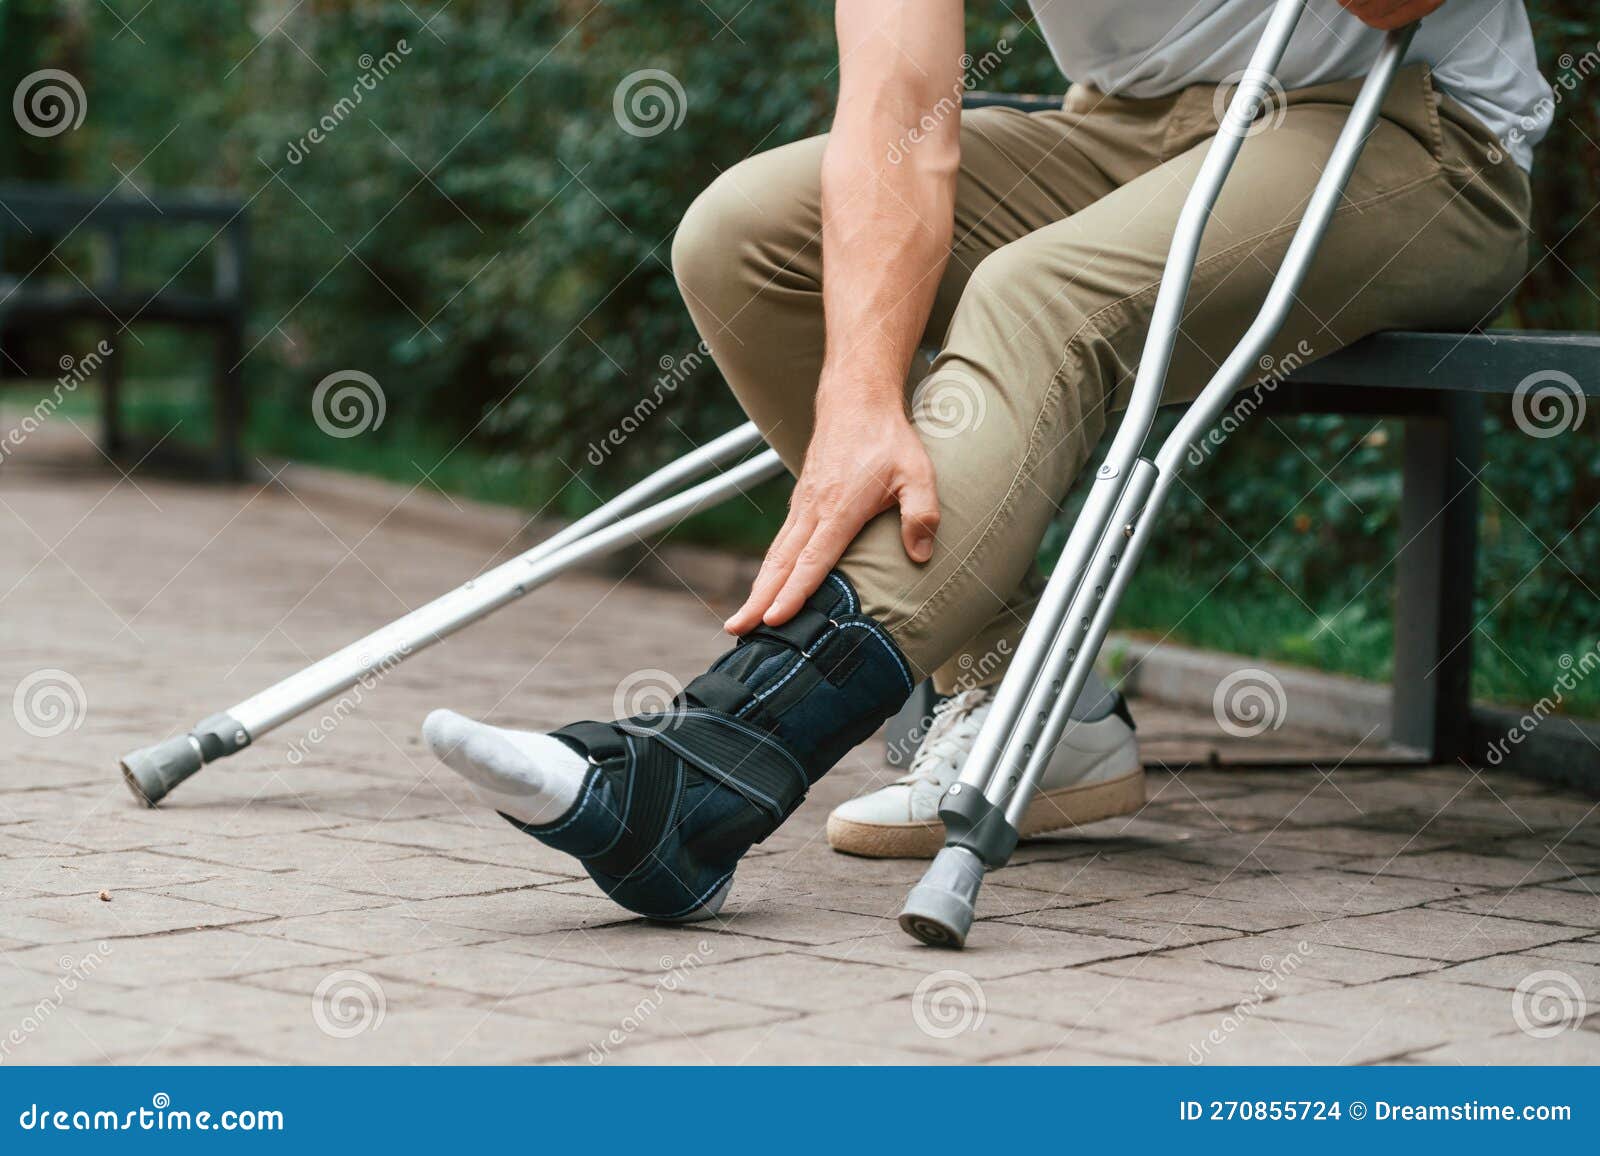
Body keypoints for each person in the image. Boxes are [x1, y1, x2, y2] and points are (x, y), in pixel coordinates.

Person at [423, 0, 1550, 921]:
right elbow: (896, 112)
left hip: (1410, 130)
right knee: (745, 236)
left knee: (1035, 293)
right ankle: (1027, 700)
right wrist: (859, 395)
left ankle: (709, 771)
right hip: (1125, 132)